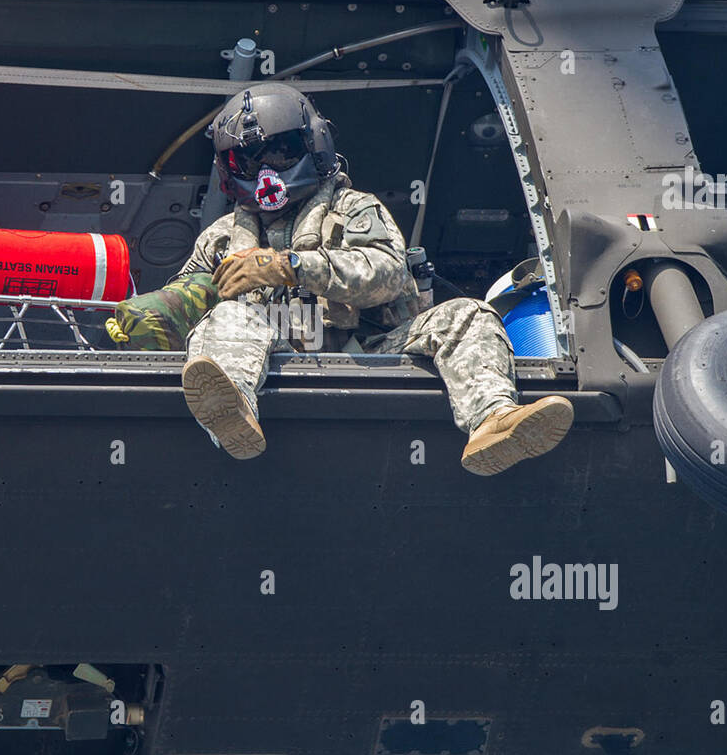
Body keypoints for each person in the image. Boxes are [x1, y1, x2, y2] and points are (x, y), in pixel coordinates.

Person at [172, 82, 573, 475]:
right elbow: (184, 300)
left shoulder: (356, 211)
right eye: (247, 161)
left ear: (313, 145)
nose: (264, 172)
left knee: (468, 315)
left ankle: (493, 419)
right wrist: (149, 313)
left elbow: (386, 274)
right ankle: (231, 410)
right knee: (225, 318)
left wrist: (289, 266)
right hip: (271, 354)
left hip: (369, 348)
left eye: (279, 153)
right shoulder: (221, 238)